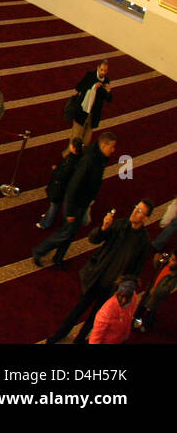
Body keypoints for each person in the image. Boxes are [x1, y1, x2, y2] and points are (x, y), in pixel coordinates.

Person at [46, 199, 154, 344]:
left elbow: (135, 271)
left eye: (140, 211)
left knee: (95, 318)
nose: (135, 211)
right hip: (97, 277)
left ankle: (79, 340)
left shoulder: (143, 242)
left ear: (145, 218)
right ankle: (59, 335)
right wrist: (103, 228)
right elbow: (94, 239)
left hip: (113, 288)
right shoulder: (121, 224)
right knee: (77, 310)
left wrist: (123, 291)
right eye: (136, 207)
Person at [35, 132, 117, 268]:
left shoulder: (98, 157)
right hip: (76, 204)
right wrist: (70, 211)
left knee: (70, 234)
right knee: (65, 233)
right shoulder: (90, 160)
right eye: (112, 147)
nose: (113, 150)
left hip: (83, 202)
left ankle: (58, 258)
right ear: (104, 145)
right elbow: (73, 186)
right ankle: (39, 251)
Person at [36, 137, 83, 230]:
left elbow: (62, 176)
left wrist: (55, 170)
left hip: (61, 187)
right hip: (66, 187)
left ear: (73, 148)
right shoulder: (79, 158)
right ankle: (48, 217)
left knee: (54, 205)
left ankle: (45, 223)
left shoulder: (71, 161)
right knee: (55, 205)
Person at [68, 60, 113, 152]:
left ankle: (78, 161)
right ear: (97, 68)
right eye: (101, 70)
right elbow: (79, 87)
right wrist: (92, 87)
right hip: (82, 112)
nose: (103, 72)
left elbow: (108, 100)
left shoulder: (106, 81)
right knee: (75, 140)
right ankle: (68, 158)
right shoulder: (90, 76)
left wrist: (108, 92)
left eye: (105, 71)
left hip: (93, 115)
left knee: (86, 141)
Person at [88, 278, 143, 344]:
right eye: (122, 296)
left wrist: (126, 335)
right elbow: (95, 338)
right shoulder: (106, 311)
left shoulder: (133, 298)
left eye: (127, 297)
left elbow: (129, 318)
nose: (124, 301)